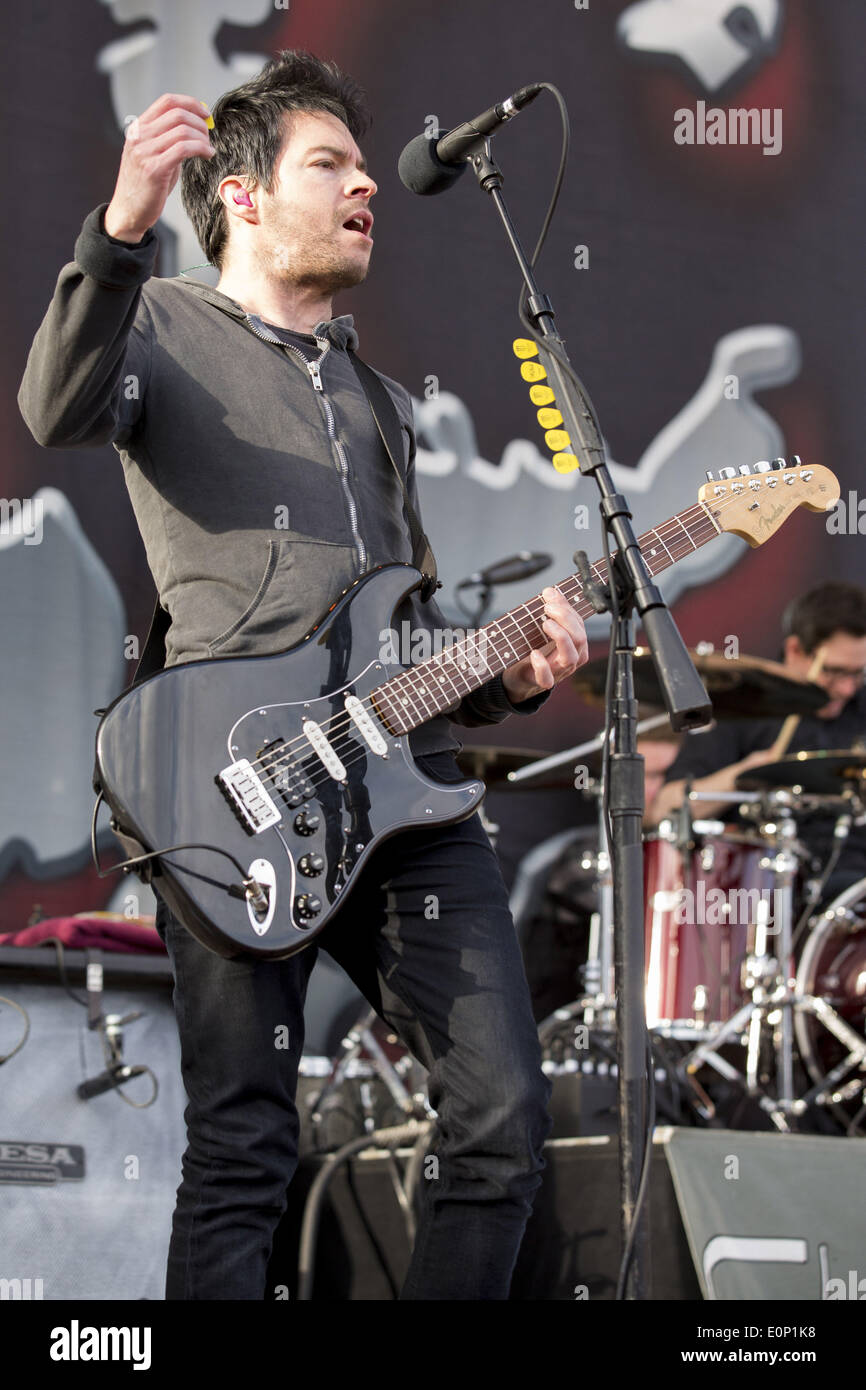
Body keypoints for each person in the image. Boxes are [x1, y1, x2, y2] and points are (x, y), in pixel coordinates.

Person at [18, 50, 589, 1301]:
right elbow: (54, 406)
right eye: (326, 165)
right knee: (244, 1146)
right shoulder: (159, 322)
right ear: (240, 195)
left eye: (359, 169)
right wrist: (117, 232)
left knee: (499, 1116)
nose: (362, 189)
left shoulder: (381, 404)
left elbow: (412, 636)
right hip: (229, 789)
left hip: (398, 799)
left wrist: (511, 675)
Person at [647, 582, 866, 900]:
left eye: (857, 674)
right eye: (834, 672)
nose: (847, 689)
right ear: (795, 651)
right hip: (763, 893)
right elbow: (665, 808)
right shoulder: (744, 710)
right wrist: (743, 776)